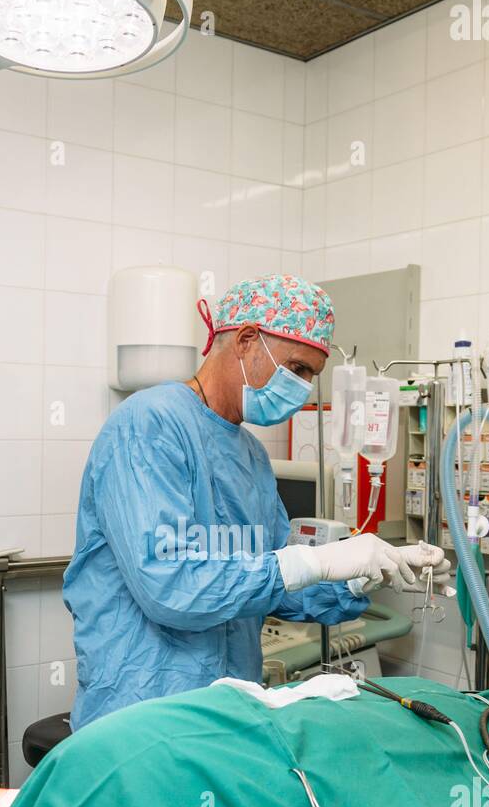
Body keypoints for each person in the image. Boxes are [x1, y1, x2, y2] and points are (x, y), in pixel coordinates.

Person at [64, 274, 450, 730]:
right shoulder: (148, 427)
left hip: (231, 712)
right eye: (298, 368)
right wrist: (317, 560)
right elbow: (171, 588)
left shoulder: (249, 456)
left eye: (312, 376)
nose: (305, 388)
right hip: (142, 711)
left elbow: (277, 586)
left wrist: (362, 577)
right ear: (247, 340)